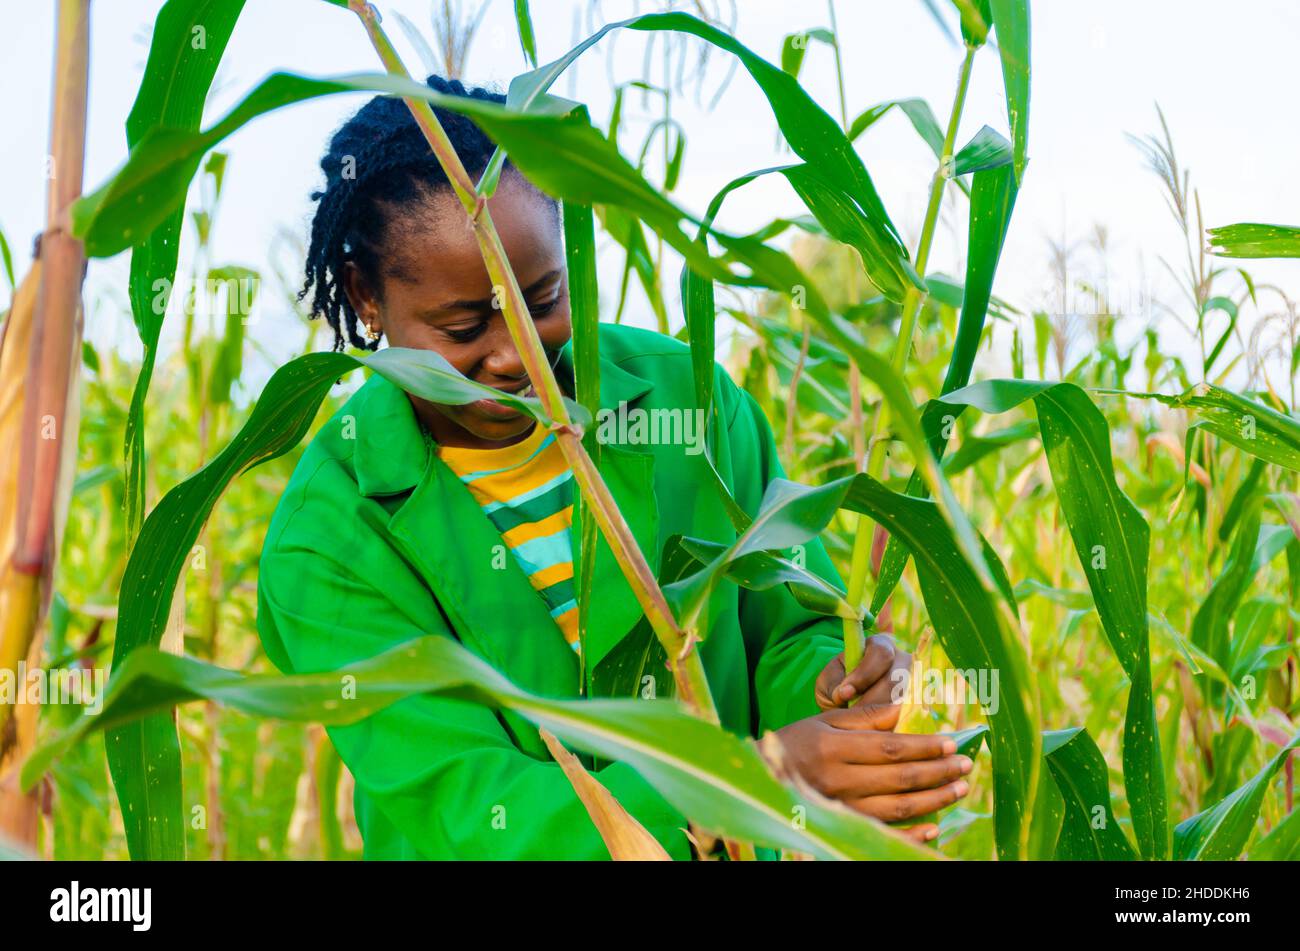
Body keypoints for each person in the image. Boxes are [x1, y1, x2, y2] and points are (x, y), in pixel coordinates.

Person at [256, 75, 972, 860]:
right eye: (463, 325)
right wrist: (746, 782)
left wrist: (842, 692)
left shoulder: (689, 397)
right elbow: (471, 814)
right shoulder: (327, 536)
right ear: (364, 296)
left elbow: (789, 625)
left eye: (544, 297)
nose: (515, 352)